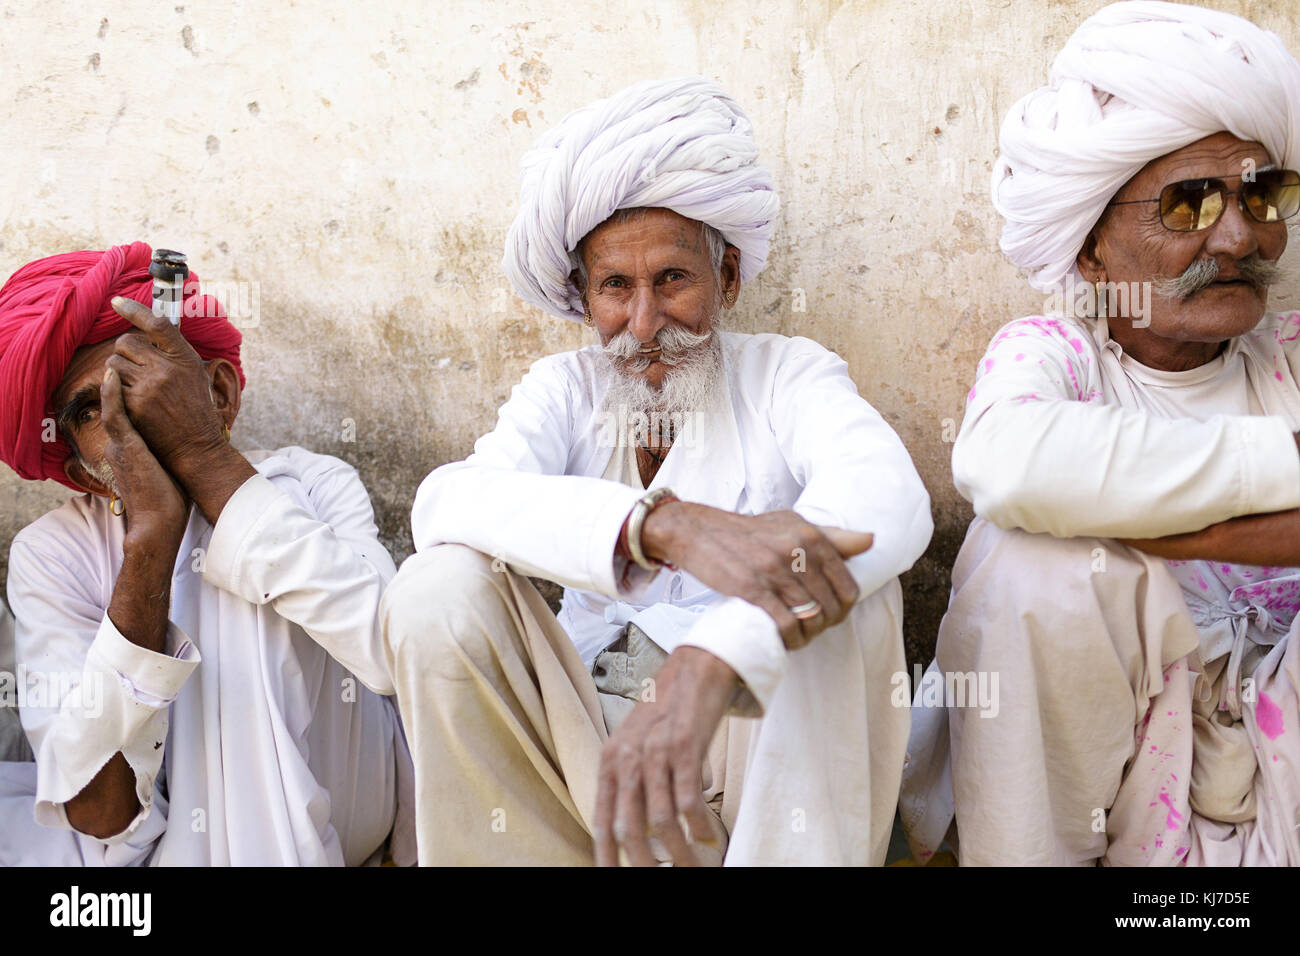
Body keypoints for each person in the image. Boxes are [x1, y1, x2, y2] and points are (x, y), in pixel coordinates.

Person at [381, 77, 933, 866]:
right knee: (433, 589)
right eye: (615, 287)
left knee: (840, 590)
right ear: (583, 298)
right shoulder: (562, 391)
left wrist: (716, 658)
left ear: (728, 278)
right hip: (587, 750)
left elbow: (887, 507)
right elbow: (447, 503)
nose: (644, 325)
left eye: (672, 279)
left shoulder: (789, 377)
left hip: (742, 743)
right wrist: (654, 528)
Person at [901, 1, 1300, 866]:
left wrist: (1128, 519)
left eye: (1263, 194)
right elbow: (1007, 466)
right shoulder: (1054, 358)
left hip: (1287, 759)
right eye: (1188, 204)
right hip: (1120, 778)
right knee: (1027, 561)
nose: (1237, 237)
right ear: (1092, 252)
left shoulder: (1293, 356)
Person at [0, 243, 413, 865]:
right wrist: (152, 543)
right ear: (83, 471)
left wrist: (201, 458)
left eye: (138, 384)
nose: (123, 422)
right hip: (166, 849)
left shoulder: (315, 482)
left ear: (216, 394)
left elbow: (394, 657)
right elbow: (95, 810)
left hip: (349, 814)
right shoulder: (52, 554)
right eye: (91, 410)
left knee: (255, 552)